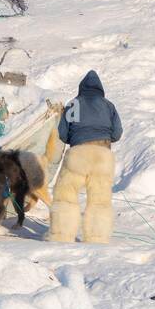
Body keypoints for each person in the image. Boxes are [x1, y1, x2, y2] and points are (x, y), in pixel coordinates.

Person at [48, 70, 122, 244]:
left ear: (81, 88)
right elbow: (117, 133)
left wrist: (76, 137)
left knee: (65, 195)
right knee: (100, 200)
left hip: (77, 155)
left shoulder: (73, 104)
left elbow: (62, 133)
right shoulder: (108, 105)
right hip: (102, 156)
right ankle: (97, 238)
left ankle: (62, 235)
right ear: (100, 89)